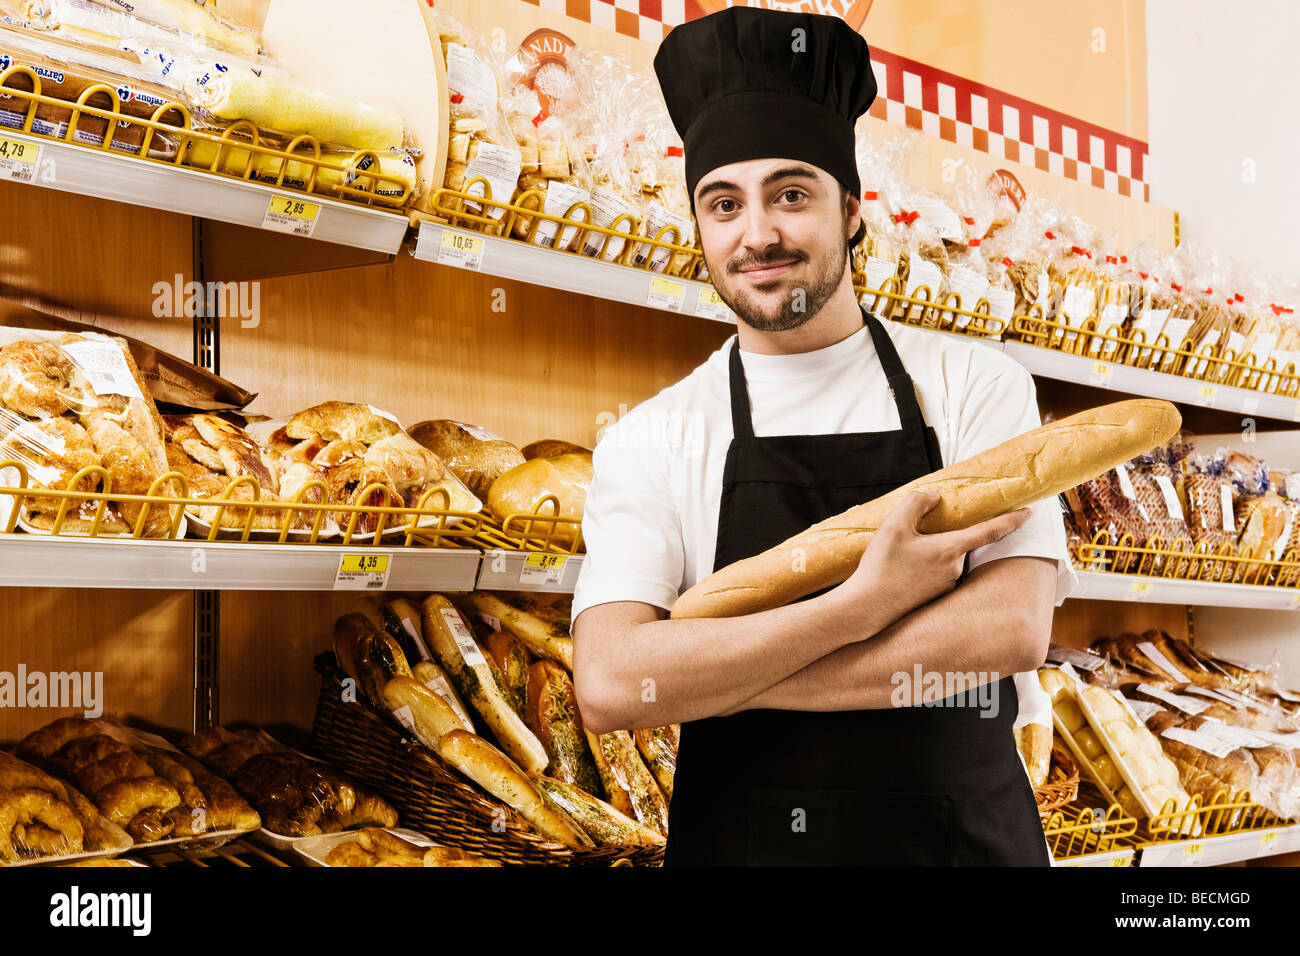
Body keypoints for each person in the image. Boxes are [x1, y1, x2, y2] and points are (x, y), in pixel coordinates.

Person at [570, 7, 1076, 866]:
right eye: (723, 203)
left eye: (791, 194)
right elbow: (616, 682)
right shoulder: (654, 435)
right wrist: (860, 607)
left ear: (850, 208)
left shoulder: (974, 387)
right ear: (699, 226)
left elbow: (1009, 629)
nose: (757, 233)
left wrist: (726, 680)